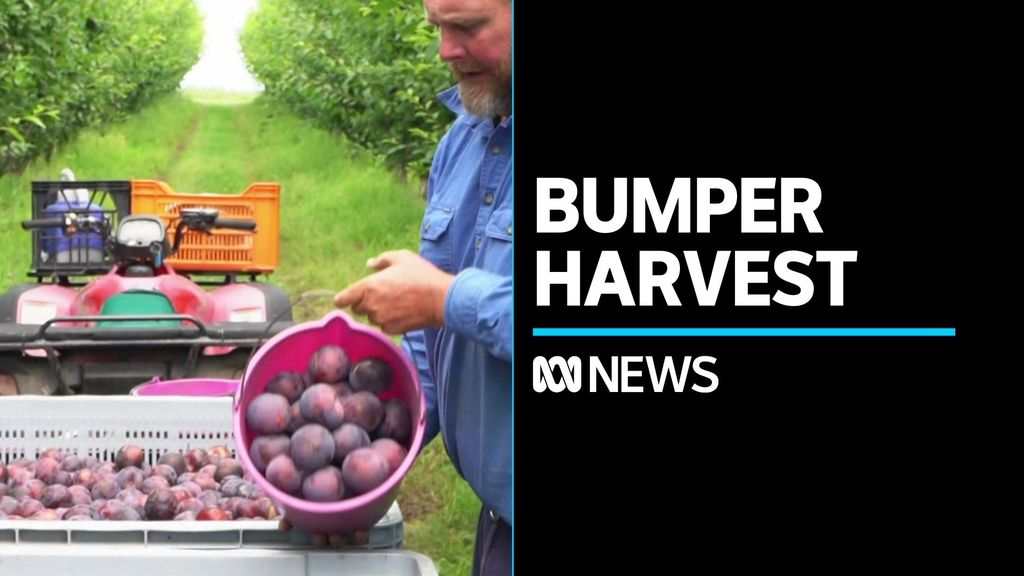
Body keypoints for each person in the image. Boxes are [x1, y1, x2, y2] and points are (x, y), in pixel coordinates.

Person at [334, 1, 512, 574]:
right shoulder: (464, 140)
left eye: (468, 27)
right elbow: (431, 345)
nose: (446, 50)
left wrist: (444, 297)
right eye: (439, 28)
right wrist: (355, 470)